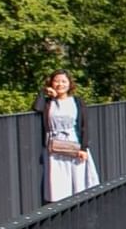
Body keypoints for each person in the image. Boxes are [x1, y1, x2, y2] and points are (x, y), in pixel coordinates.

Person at [34, 69, 100, 202]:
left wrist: (83, 148)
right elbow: (37, 108)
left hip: (73, 144)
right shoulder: (48, 103)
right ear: (51, 83)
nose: (60, 84)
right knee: (58, 183)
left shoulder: (77, 101)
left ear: (69, 84)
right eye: (56, 81)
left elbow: (84, 125)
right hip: (54, 147)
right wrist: (44, 92)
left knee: (77, 180)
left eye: (64, 81)